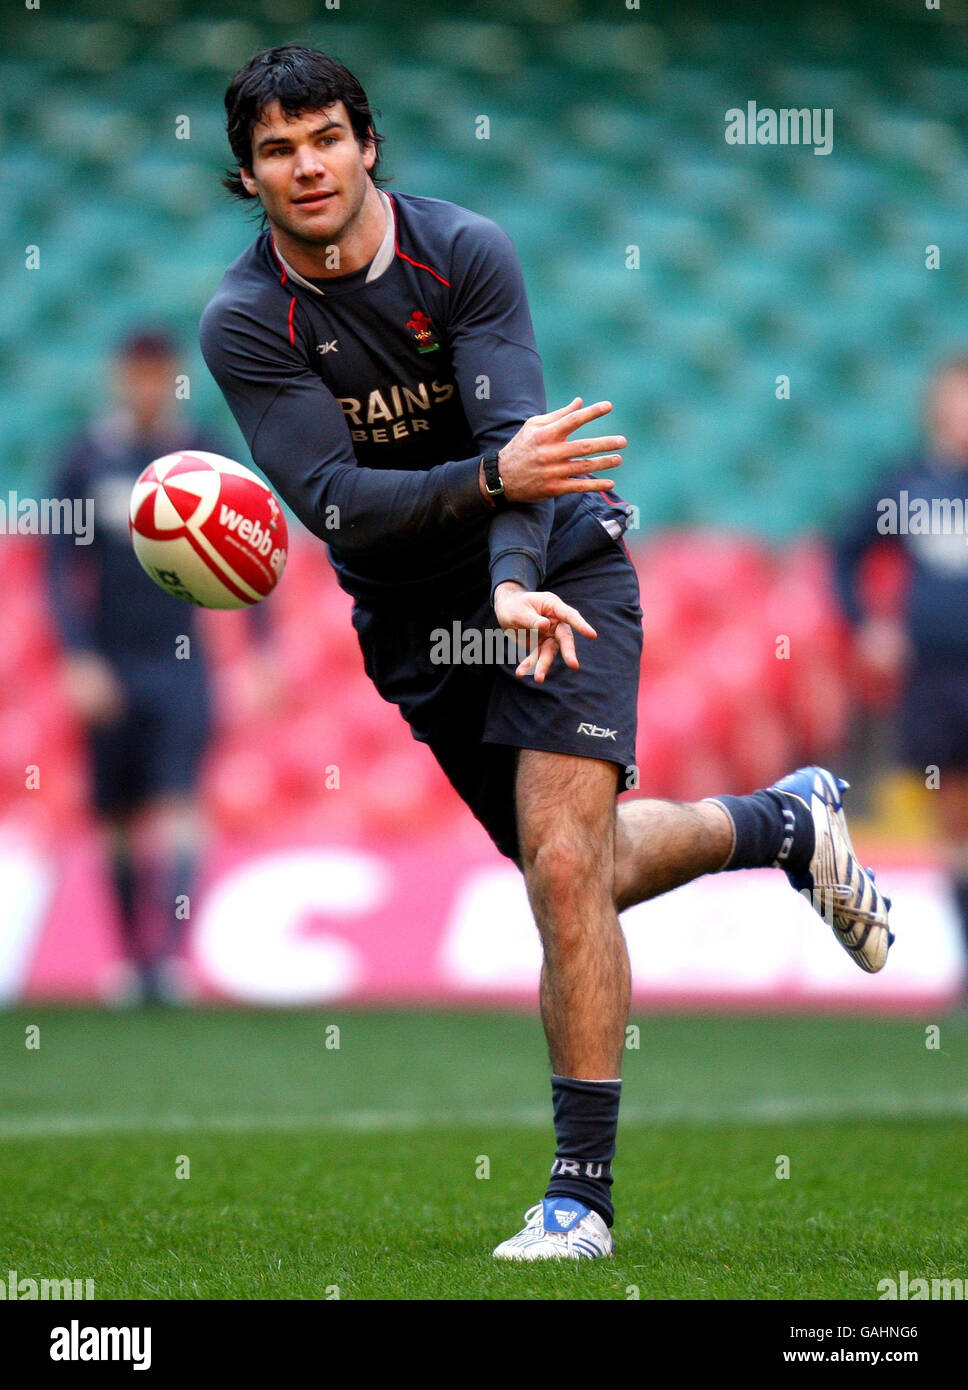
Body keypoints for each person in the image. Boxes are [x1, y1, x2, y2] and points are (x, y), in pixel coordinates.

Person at [200, 45, 892, 1260]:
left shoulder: (463, 251)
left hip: (557, 574)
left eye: (322, 136)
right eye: (275, 148)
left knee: (565, 864)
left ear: (365, 144)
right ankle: (786, 825)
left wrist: (514, 577)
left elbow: (531, 452)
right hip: (415, 626)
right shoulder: (246, 319)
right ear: (247, 174)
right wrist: (480, 492)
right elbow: (335, 502)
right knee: (586, 869)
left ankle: (579, 1197)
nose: (304, 164)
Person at [47, 329, 258, 1004]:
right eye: (135, 376)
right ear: (118, 379)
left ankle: (167, 961)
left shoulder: (203, 456)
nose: (146, 388)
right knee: (115, 814)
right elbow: (58, 570)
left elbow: (253, 551)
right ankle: (130, 958)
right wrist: (79, 659)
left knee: (179, 801)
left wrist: (261, 650)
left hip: (181, 662)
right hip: (110, 663)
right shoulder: (86, 459)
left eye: (157, 376)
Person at [835, 354, 968, 999]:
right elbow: (845, 551)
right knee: (956, 816)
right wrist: (870, 624)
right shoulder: (910, 486)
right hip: (939, 678)